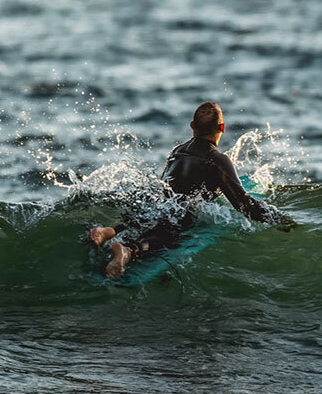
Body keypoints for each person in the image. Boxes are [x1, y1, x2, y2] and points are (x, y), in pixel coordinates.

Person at [88, 101, 295, 278]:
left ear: (192, 126)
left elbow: (165, 186)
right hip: (180, 213)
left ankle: (110, 231)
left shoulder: (178, 150)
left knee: (150, 215)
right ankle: (128, 252)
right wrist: (280, 220)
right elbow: (244, 205)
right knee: (167, 232)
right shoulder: (217, 160)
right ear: (222, 128)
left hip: (160, 202)